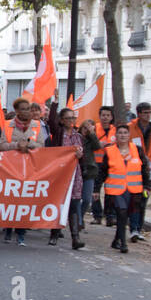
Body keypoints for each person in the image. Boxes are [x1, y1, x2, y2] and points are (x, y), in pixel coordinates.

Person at [0, 98, 45, 245]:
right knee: (10, 200)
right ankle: (8, 229)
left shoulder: (36, 126)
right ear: (17, 111)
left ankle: (21, 233)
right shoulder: (7, 125)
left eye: (29, 109)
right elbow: (2, 145)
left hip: (30, 169)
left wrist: (29, 145)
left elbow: (42, 145)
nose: (27, 112)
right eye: (24, 109)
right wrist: (17, 145)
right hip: (11, 168)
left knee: (25, 201)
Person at [102, 123, 149, 253]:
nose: (122, 135)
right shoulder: (110, 151)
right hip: (116, 190)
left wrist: (147, 186)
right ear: (116, 135)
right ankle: (123, 243)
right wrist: (96, 189)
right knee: (121, 212)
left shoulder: (137, 150)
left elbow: (144, 169)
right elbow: (103, 171)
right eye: (120, 133)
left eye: (125, 133)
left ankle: (116, 240)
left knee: (125, 216)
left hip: (133, 190)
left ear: (129, 135)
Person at [47, 105, 86, 249]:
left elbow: (84, 158)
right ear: (62, 120)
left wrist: (81, 156)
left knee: (74, 205)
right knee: (59, 203)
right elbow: (51, 121)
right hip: (60, 174)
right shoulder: (58, 133)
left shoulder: (78, 136)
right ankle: (54, 234)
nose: (71, 120)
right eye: (68, 118)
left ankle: (75, 237)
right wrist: (55, 104)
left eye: (73, 118)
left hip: (75, 175)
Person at [126, 102, 151, 240]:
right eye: (145, 112)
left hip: (150, 169)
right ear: (139, 113)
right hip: (134, 167)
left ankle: (137, 228)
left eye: (150, 112)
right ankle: (134, 227)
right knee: (135, 198)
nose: (148, 115)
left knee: (143, 198)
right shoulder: (131, 128)